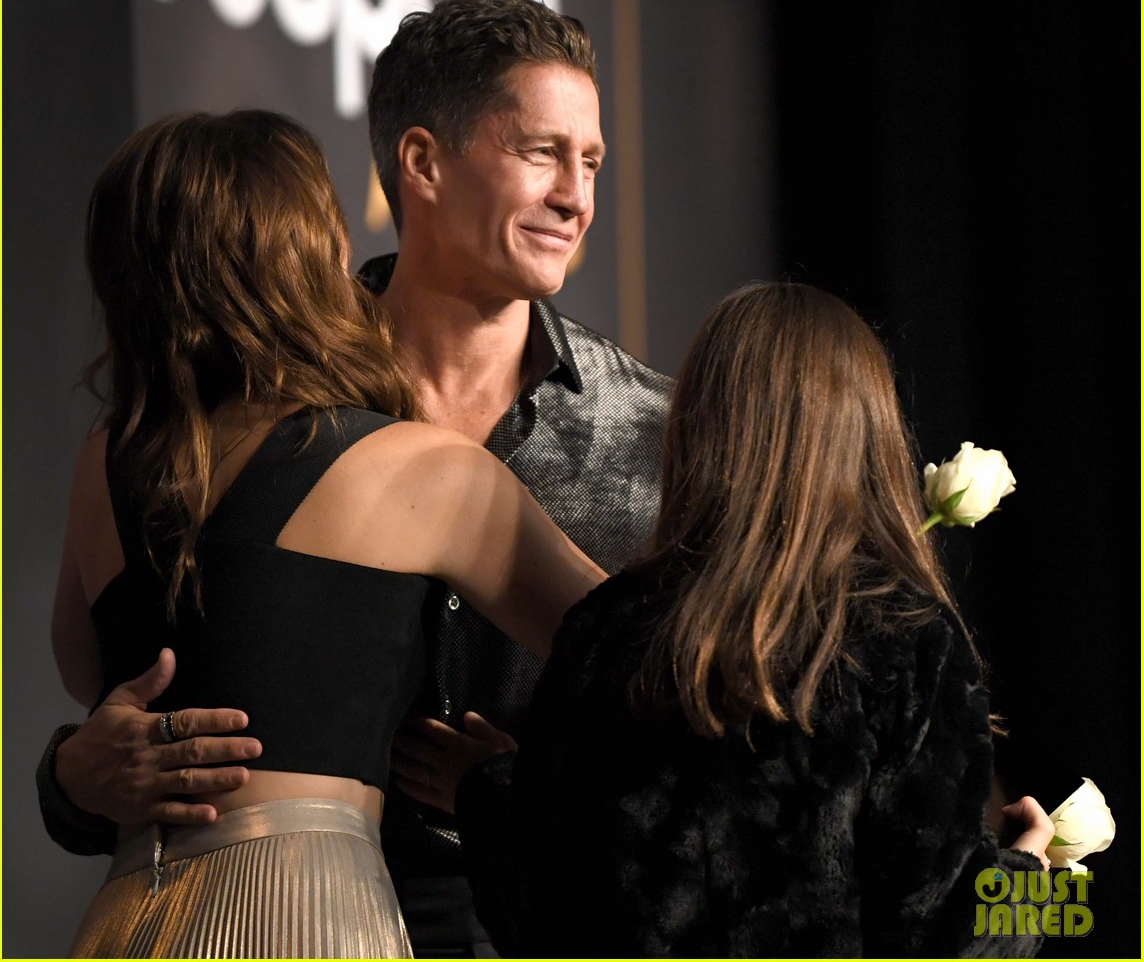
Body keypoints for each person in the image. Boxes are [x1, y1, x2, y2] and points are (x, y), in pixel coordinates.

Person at [38, 0, 672, 955]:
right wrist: (74, 780)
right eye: (541, 153)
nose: (575, 197)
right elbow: (124, 706)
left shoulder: (655, 435)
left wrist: (521, 794)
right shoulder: (223, 427)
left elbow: (704, 710)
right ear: (419, 163)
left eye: (589, 163)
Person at [424, 283, 1055, 957]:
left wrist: (489, 793)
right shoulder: (907, 639)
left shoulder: (604, 631)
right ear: (867, 434)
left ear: (696, 421)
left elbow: (542, 925)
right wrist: (1037, 887)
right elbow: (944, 942)